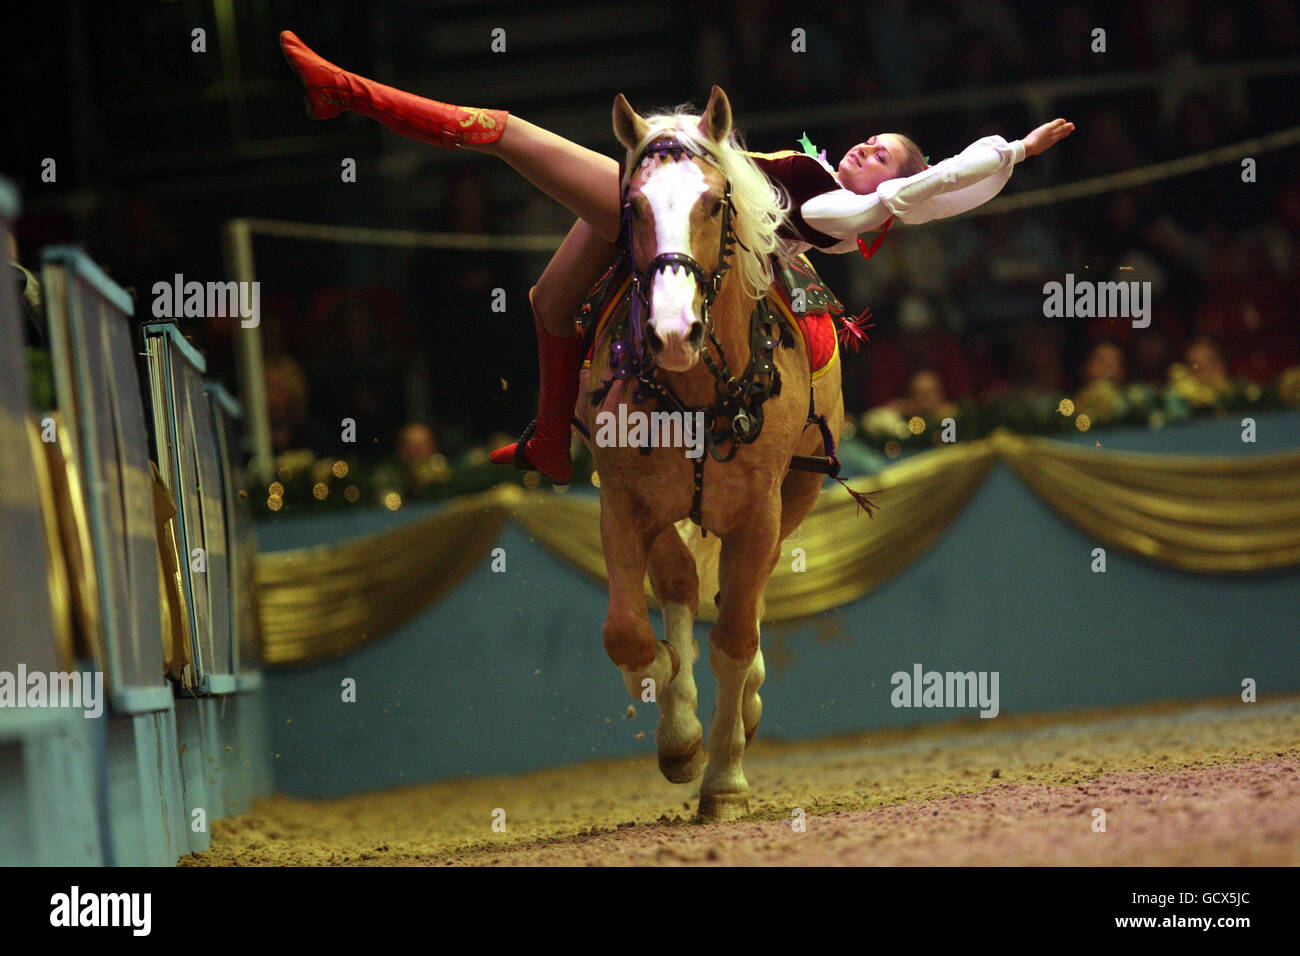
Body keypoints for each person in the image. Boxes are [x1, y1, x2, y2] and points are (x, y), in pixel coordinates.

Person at [279, 30, 1073, 483]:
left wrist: (1009, 151)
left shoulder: (838, 207)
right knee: (550, 302)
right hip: (668, 205)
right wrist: (1004, 158)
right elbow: (926, 187)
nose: (871, 149)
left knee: (509, 132)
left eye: (887, 156)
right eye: (872, 141)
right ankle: (553, 436)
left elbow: (926, 192)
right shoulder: (823, 179)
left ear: (895, 185)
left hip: (677, 209)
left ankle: (346, 91)